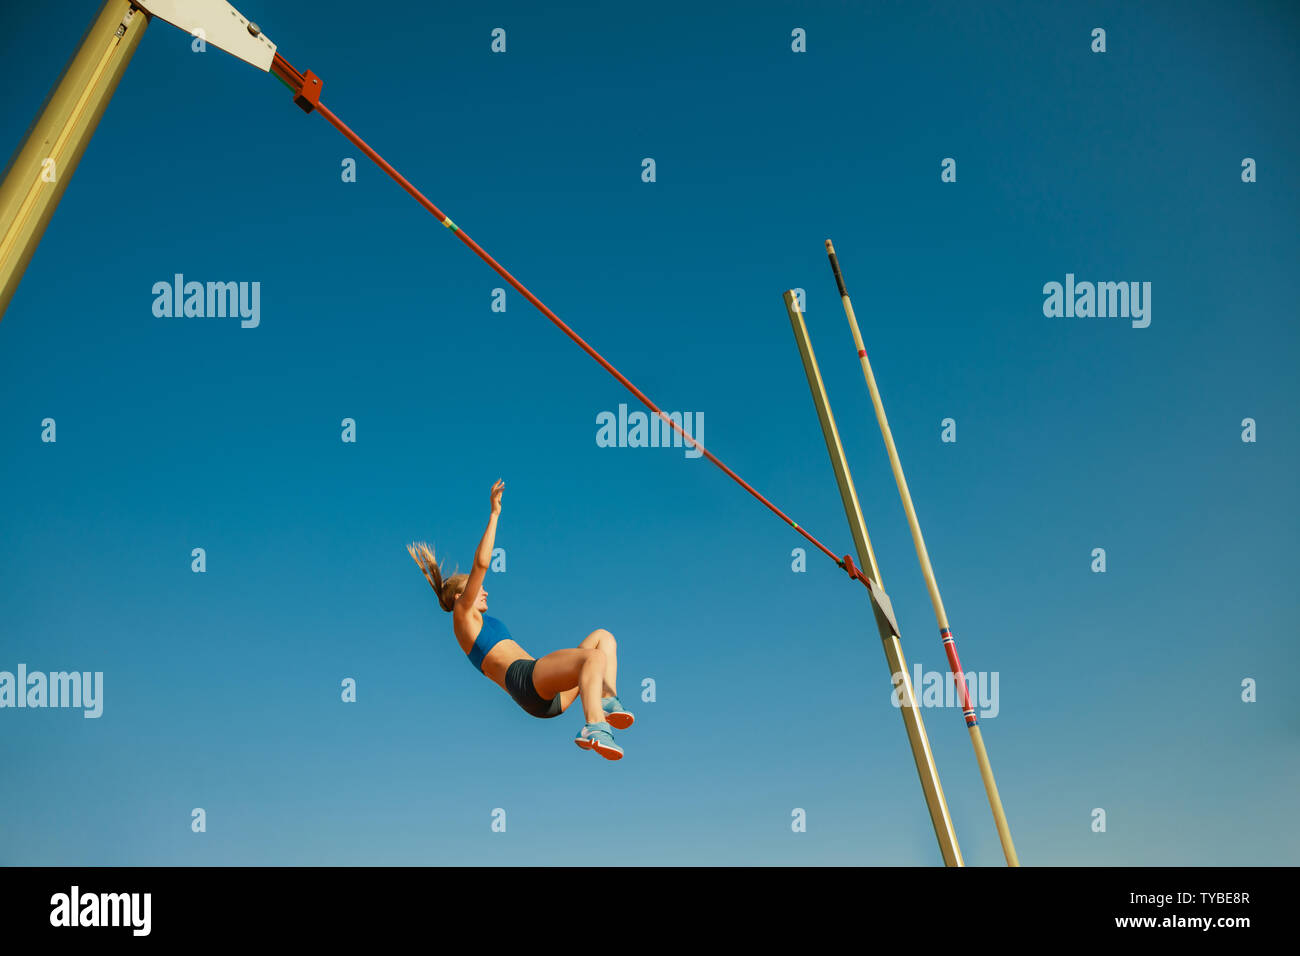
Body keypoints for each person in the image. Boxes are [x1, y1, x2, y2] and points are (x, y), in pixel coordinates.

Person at [408, 479, 632, 760]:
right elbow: (481, 565)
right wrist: (494, 515)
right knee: (592, 659)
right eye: (477, 589)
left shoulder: (484, 621)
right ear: (458, 597)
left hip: (550, 697)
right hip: (525, 680)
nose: (485, 591)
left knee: (603, 638)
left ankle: (606, 699)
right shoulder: (464, 618)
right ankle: (593, 727)